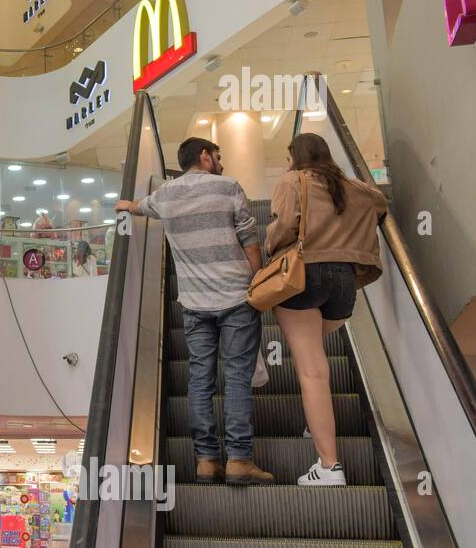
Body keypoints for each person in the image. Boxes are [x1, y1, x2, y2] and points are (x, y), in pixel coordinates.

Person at [117, 137, 274, 485]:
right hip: (236, 298)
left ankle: (205, 460)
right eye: (218, 156)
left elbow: (140, 205)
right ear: (204, 156)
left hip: (193, 303)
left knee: (200, 380)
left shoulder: (165, 196)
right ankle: (238, 460)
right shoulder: (228, 187)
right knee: (236, 378)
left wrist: (126, 204)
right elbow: (250, 240)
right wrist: (259, 282)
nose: (221, 162)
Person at [267, 134, 387, 486]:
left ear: (294, 156)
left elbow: (286, 225)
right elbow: (381, 205)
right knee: (316, 359)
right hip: (345, 282)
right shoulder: (354, 187)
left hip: (304, 276)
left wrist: (269, 244)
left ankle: (329, 466)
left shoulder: (293, 180)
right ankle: (315, 420)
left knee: (313, 371)